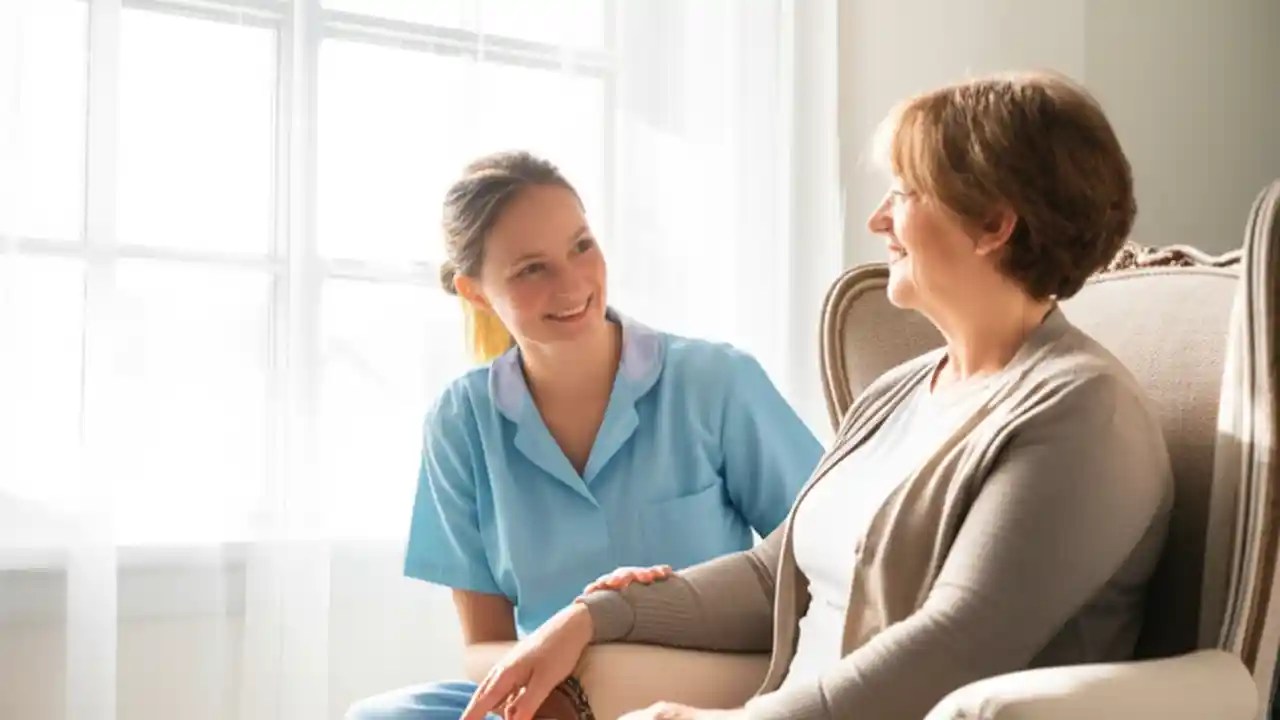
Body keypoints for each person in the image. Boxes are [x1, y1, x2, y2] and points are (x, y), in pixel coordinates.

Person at [460, 71, 1174, 720]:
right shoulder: (900, 391)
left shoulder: (1082, 414)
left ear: (993, 224)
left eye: (905, 192)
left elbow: (955, 646)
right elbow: (773, 575)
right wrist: (591, 616)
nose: (878, 219)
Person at [346, 151, 823, 719]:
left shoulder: (716, 382)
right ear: (476, 292)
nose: (572, 284)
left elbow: (828, 559)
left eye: (581, 246)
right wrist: (554, 680)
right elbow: (482, 645)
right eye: (532, 269)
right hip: (545, 696)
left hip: (702, 688)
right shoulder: (460, 421)